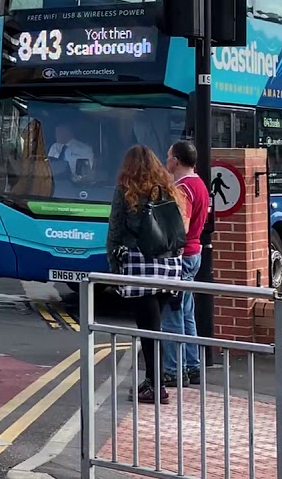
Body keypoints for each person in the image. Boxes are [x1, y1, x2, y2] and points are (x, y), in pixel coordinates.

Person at [107, 145, 189, 404]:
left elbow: (115, 229)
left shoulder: (126, 190)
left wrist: (113, 267)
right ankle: (153, 380)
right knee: (155, 326)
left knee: (148, 329)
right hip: (169, 266)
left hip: (140, 266)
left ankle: (156, 386)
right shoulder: (168, 188)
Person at [160, 140, 209, 386]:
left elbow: (182, 224)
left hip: (181, 256)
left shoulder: (182, 189)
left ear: (176, 160)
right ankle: (193, 366)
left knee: (172, 314)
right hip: (194, 253)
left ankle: (172, 370)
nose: (166, 160)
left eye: (168, 156)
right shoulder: (200, 184)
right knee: (187, 313)